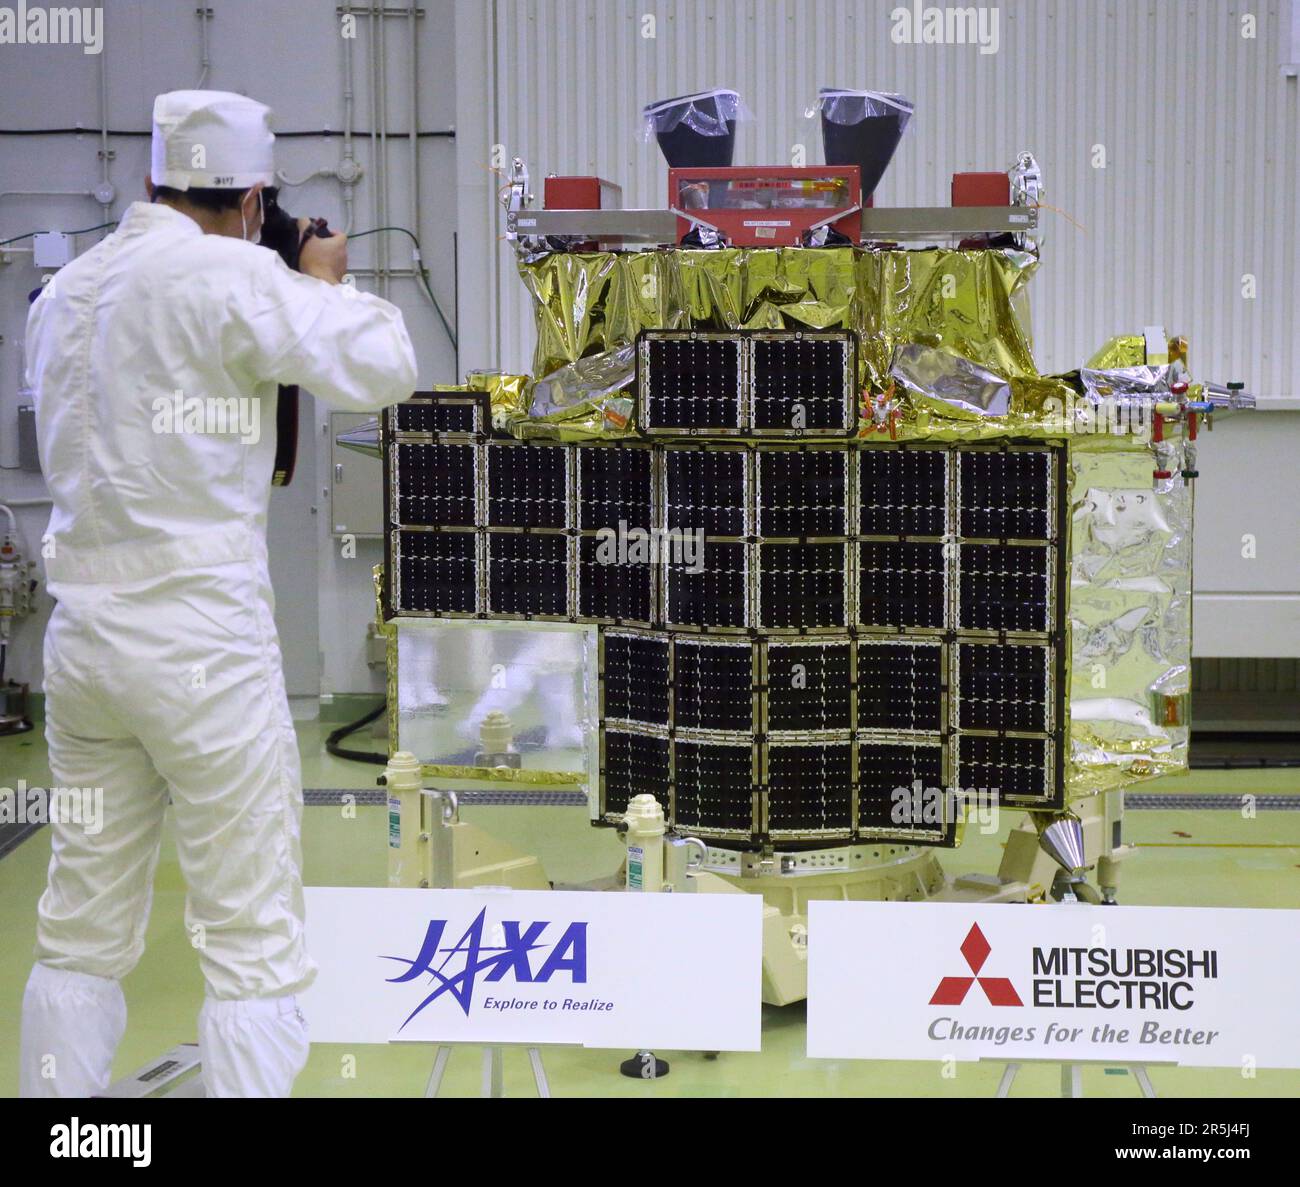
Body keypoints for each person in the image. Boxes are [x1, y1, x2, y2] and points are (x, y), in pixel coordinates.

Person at [20, 90, 417, 1098]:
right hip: (200, 647)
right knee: (250, 934)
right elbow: (385, 365)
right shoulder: (237, 276)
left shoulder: (62, 294)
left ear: (152, 182)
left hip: (85, 649)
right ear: (252, 199)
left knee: (79, 922)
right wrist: (324, 282)